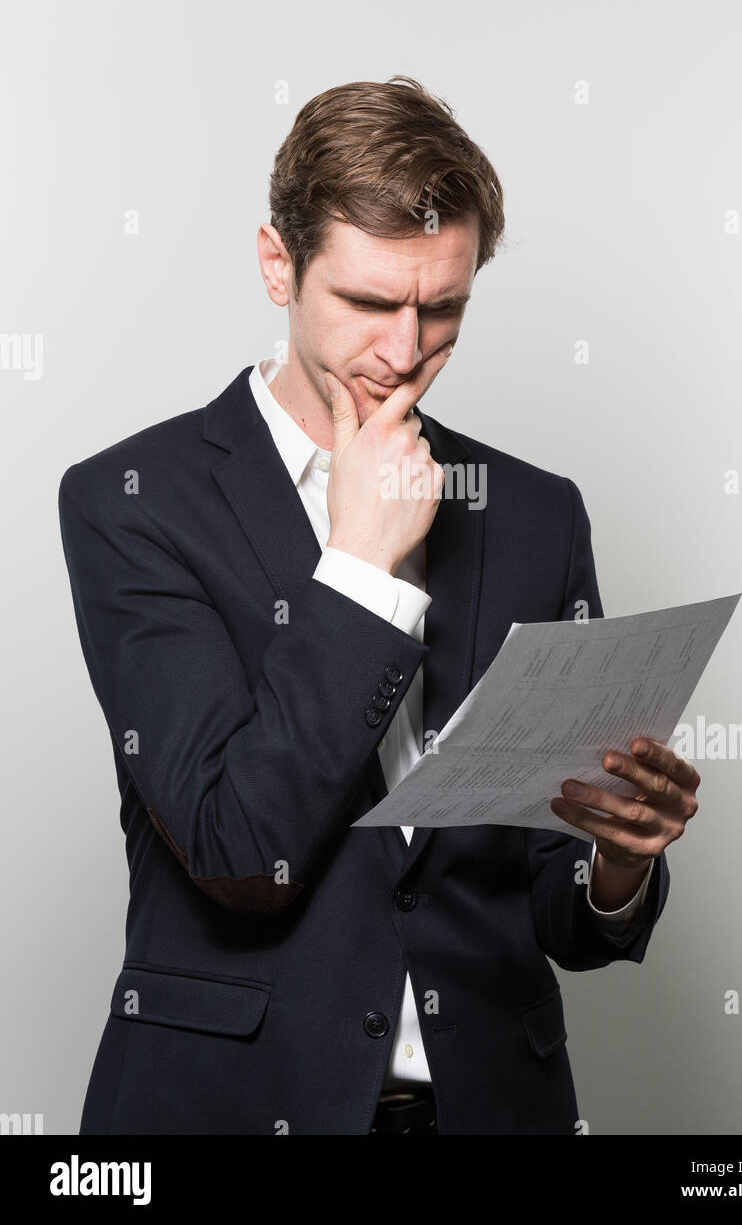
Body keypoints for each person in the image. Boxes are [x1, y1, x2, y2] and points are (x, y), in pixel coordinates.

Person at [58, 76, 699, 1136]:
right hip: (232, 1105)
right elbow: (233, 848)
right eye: (366, 302)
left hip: (491, 1103)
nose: (405, 353)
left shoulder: (535, 515)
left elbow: (555, 909)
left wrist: (616, 861)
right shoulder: (133, 502)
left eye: (440, 307)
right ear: (279, 265)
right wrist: (360, 561)